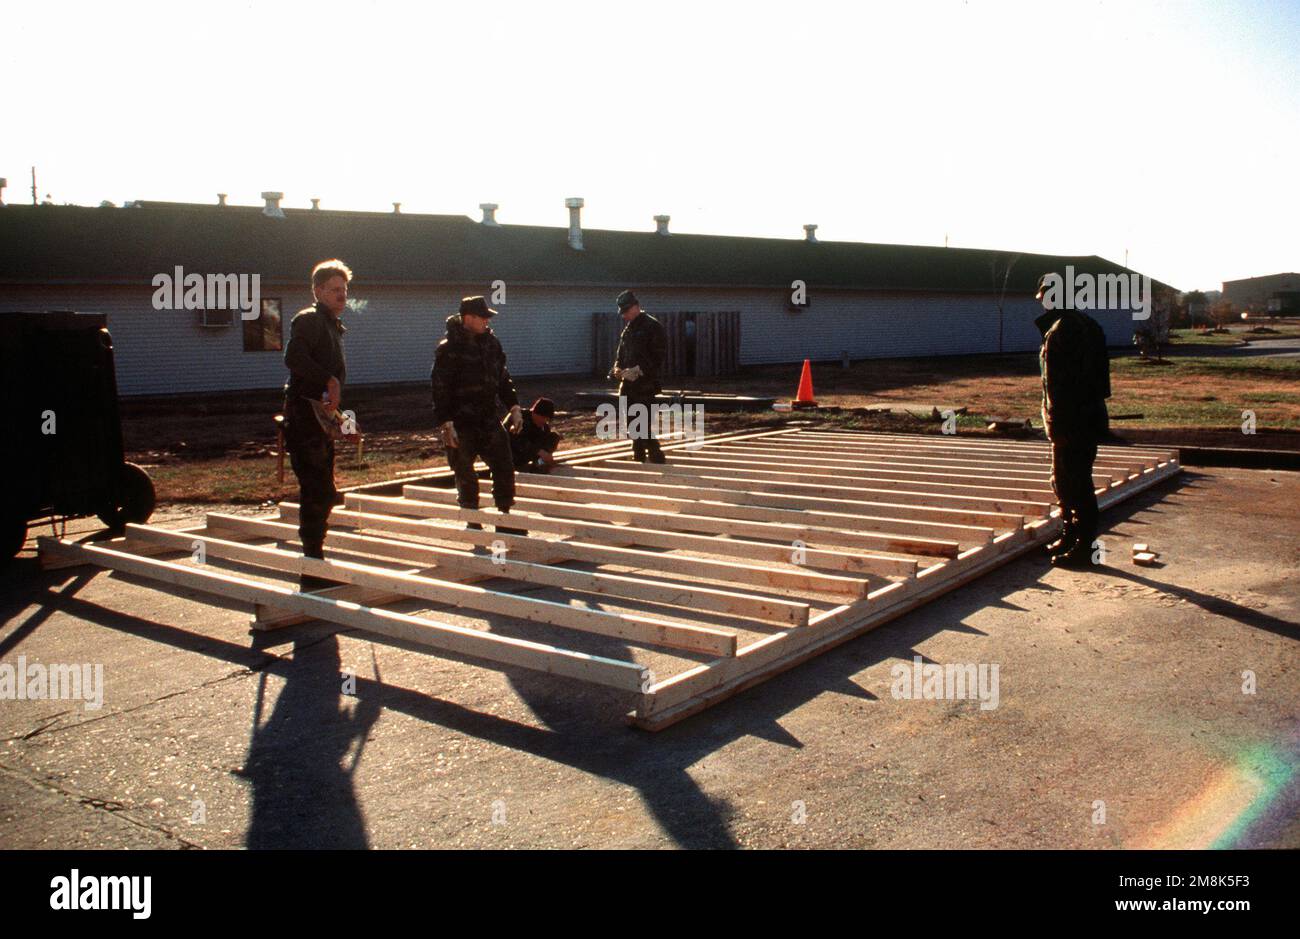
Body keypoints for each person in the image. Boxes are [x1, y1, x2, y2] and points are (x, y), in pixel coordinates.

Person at [1035, 273, 1112, 568]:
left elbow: (1060, 384)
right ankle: (1071, 536)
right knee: (1067, 481)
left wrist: (1060, 423)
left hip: (1071, 420)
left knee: (1075, 482)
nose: (1042, 301)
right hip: (1084, 417)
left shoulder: (1064, 330)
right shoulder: (1085, 325)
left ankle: (1084, 547)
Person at [283, 259, 351, 590]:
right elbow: (293, 358)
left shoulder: (331, 325)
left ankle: (315, 558)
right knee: (316, 490)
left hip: (320, 418)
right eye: (335, 290)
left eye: (345, 290)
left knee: (324, 489)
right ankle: (312, 566)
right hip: (304, 418)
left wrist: (344, 419)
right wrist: (328, 380)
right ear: (318, 291)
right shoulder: (309, 320)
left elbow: (332, 386)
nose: (342, 296)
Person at [431, 296, 525, 534]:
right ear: (468, 318)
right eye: (482, 317)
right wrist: (446, 423)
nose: (486, 321)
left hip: (487, 418)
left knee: (504, 465)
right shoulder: (448, 349)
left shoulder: (492, 345)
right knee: (464, 471)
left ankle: (505, 517)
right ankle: (472, 519)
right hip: (461, 422)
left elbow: (503, 378)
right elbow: (440, 388)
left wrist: (513, 407)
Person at [609, 289, 667, 463]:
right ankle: (639, 456)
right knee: (632, 424)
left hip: (645, 385)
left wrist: (640, 371)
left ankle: (656, 456)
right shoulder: (628, 330)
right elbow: (620, 355)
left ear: (636, 307)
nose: (624, 315)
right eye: (623, 312)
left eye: (626, 311)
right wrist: (617, 370)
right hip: (628, 385)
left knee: (641, 423)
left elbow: (658, 356)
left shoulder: (652, 326)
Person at [510, 397, 561, 472]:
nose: (545, 421)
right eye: (543, 418)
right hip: (511, 454)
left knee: (554, 436)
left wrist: (546, 454)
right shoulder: (519, 419)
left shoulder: (543, 427)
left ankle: (539, 463)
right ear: (535, 413)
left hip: (530, 454)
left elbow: (544, 442)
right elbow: (517, 441)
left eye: (547, 419)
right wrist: (539, 451)